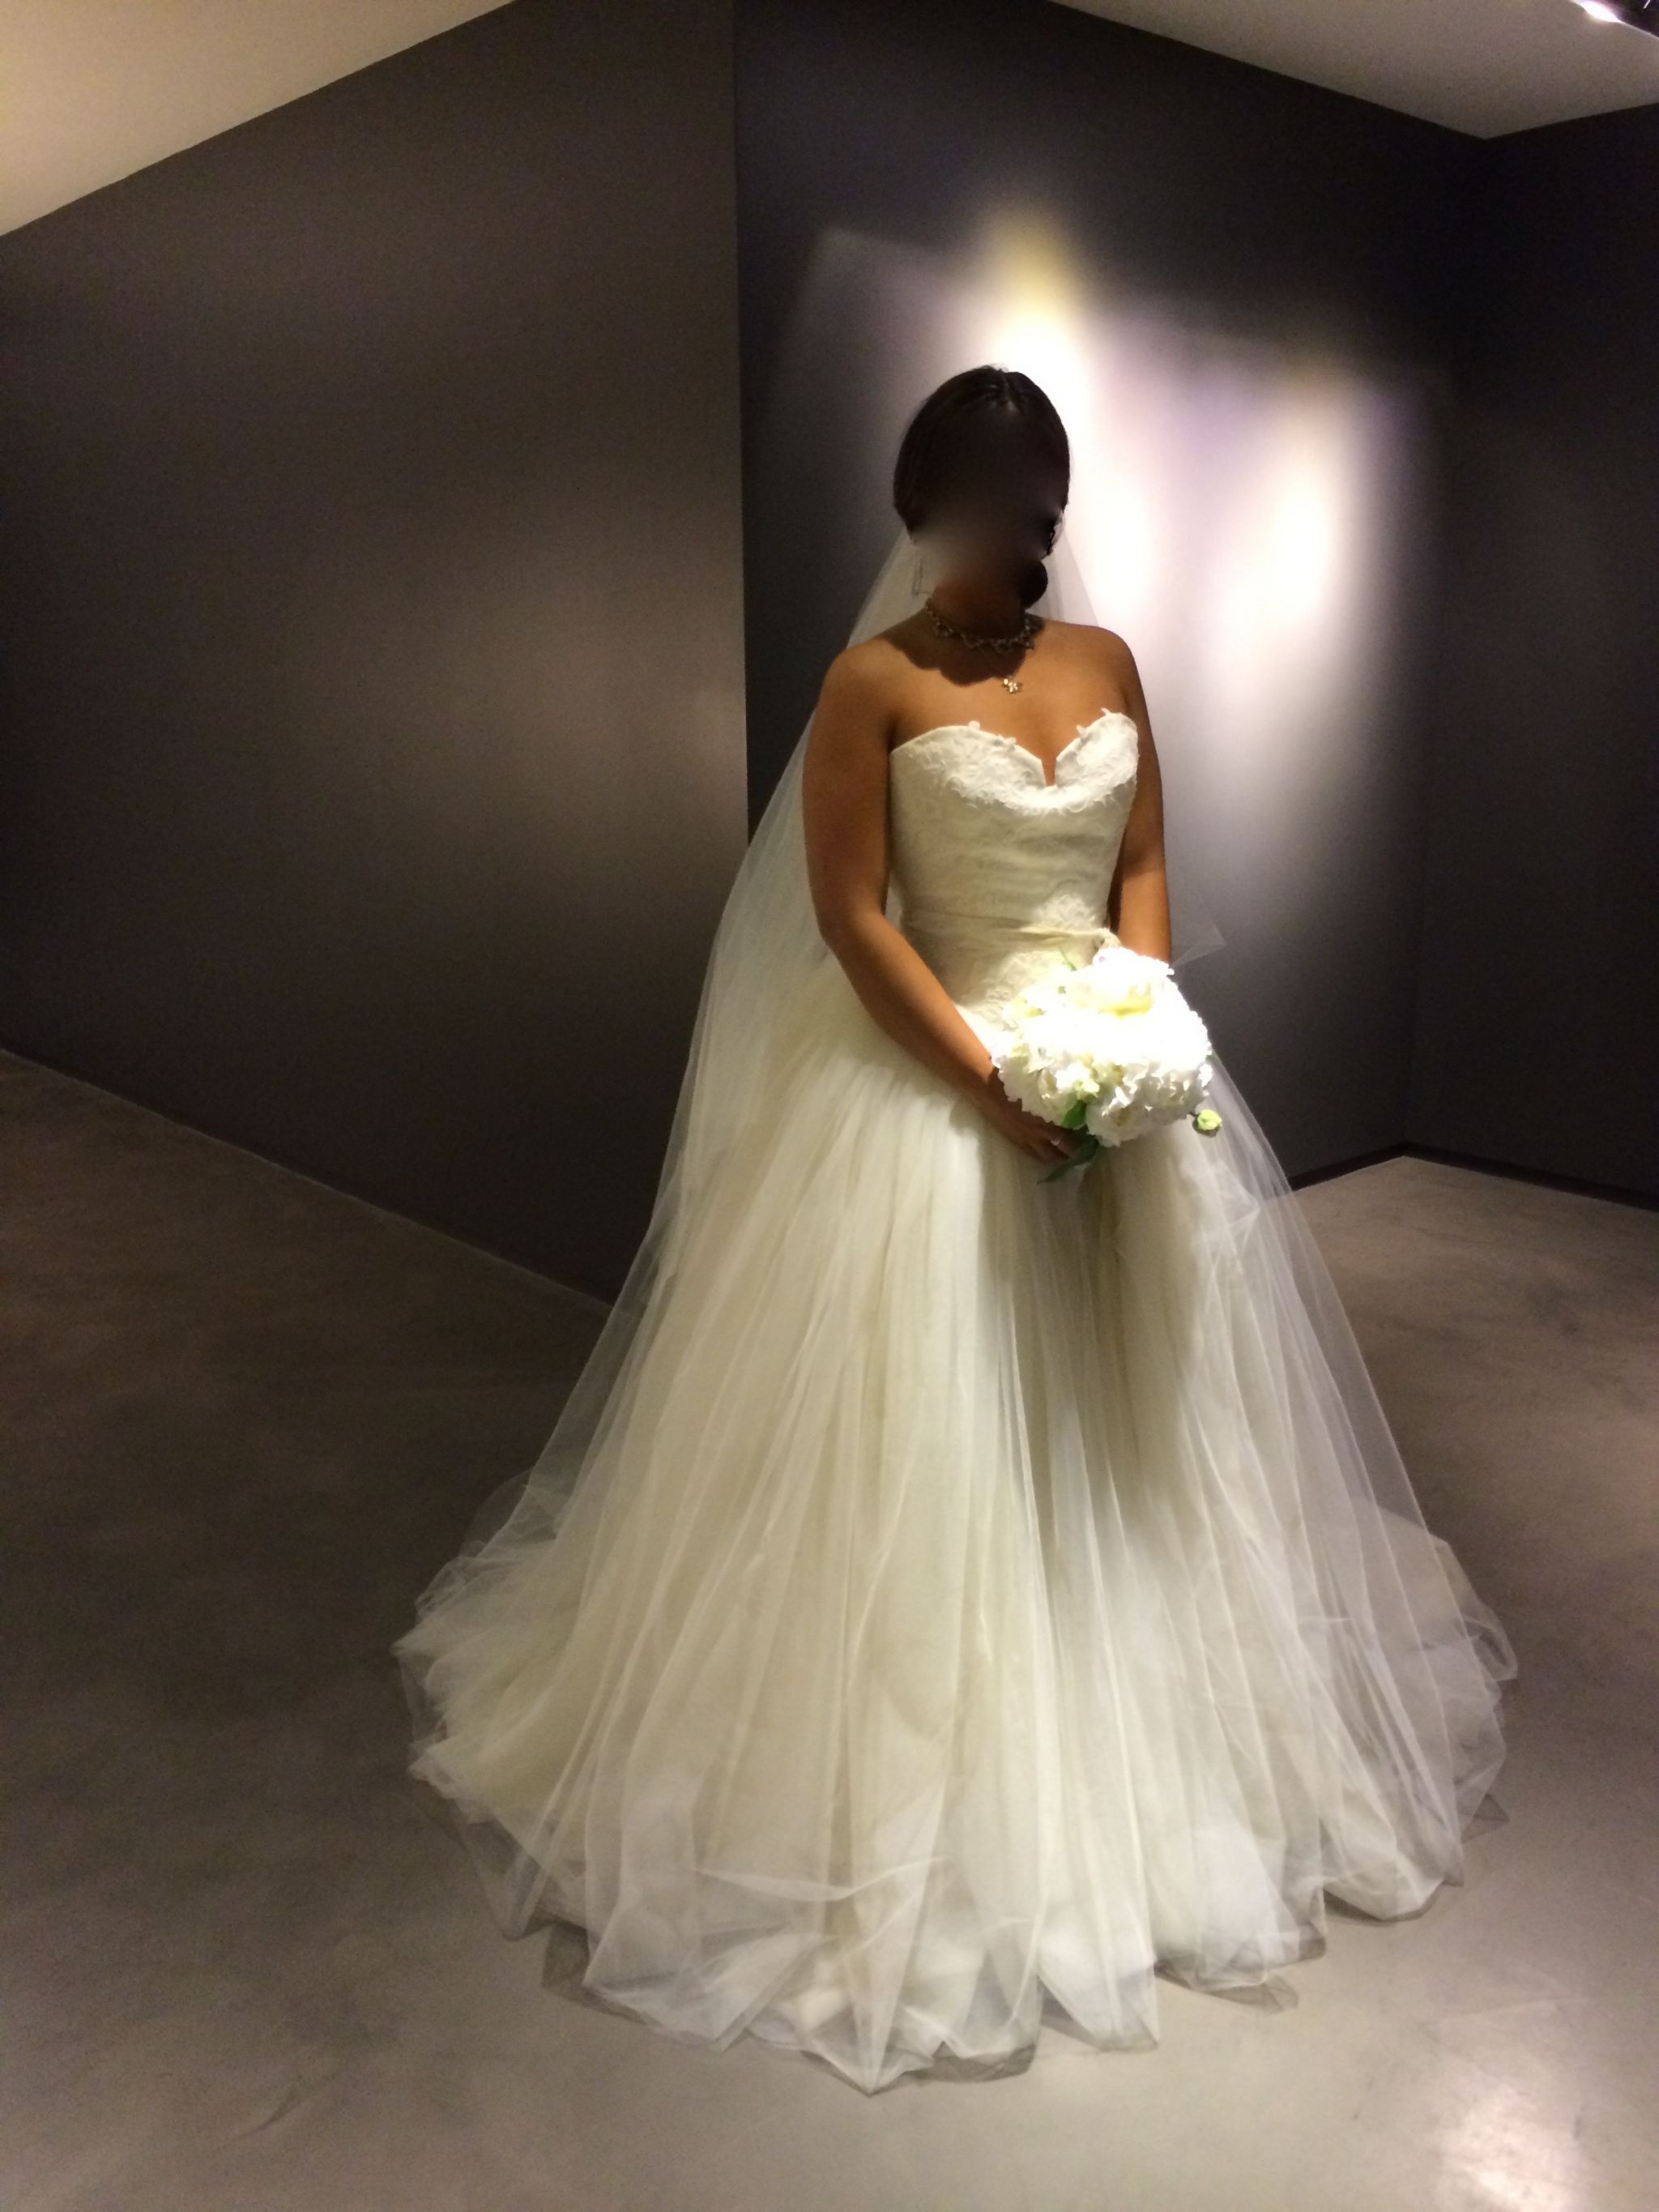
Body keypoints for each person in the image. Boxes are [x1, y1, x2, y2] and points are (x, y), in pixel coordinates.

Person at [394, 365, 1516, 2097]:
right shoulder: (873, 683)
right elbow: (852, 918)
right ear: (923, 513)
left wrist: (1135, 1019)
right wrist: (995, 1081)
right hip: (931, 1082)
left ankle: (1148, 1724)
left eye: (1022, 509)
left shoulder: (1110, 663)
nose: (1000, 539)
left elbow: (1143, 860)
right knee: (935, 1438)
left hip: (1102, 1080)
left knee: (1144, 1430)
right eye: (974, 510)